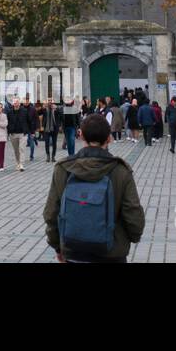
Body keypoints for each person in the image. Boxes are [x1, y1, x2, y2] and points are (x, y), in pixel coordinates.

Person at [43, 113, 145, 263]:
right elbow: (133, 213)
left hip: (74, 251)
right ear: (109, 138)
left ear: (81, 136)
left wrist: (58, 246)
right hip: (112, 253)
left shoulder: (63, 168)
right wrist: (132, 237)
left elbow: (51, 213)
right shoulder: (120, 170)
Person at [6, 97, 29, 171]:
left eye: (17, 102)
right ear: (13, 104)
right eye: (15, 103)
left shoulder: (25, 111)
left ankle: (21, 164)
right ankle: (18, 163)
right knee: (16, 150)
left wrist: (30, 131)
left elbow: (29, 121)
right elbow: (7, 123)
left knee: (21, 149)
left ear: (19, 103)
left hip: (23, 133)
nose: (16, 104)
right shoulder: (9, 112)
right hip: (13, 134)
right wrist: (9, 131)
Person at [24, 97, 39, 162]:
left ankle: (31, 156)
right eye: (25, 101)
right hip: (23, 129)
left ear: (29, 101)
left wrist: (37, 127)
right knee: (23, 143)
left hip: (31, 128)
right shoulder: (21, 108)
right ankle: (21, 156)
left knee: (31, 142)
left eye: (27, 101)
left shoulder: (33, 109)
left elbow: (36, 118)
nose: (26, 102)